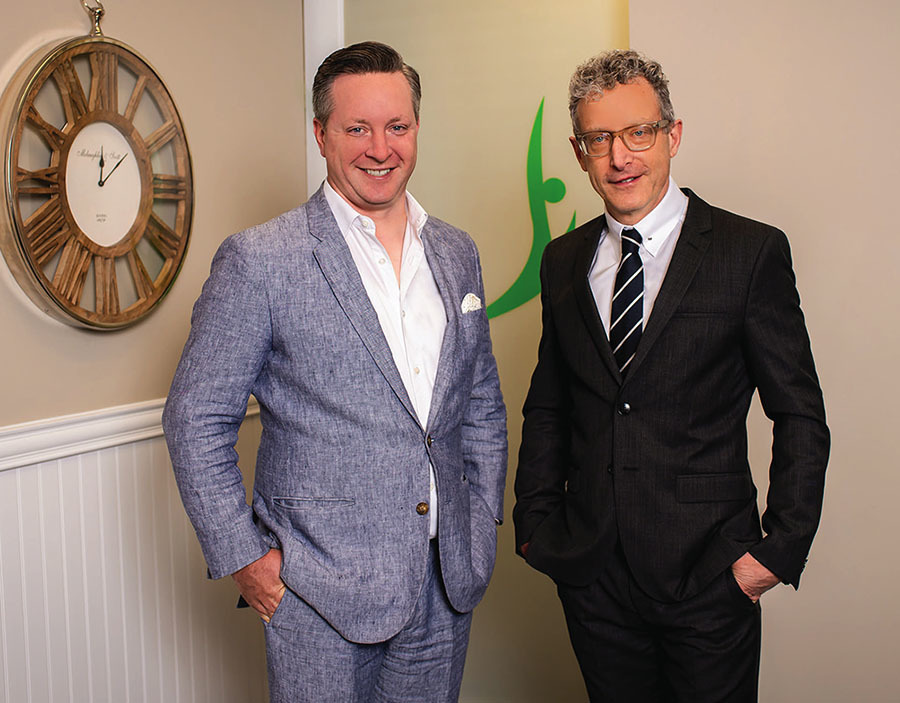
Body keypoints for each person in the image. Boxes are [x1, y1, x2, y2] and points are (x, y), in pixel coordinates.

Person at [163, 41, 507, 703]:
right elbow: (194, 418)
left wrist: (481, 513)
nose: (380, 148)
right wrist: (245, 558)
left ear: (417, 128)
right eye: (357, 128)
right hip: (317, 595)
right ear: (321, 134)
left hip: (445, 583)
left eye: (397, 126)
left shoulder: (456, 251)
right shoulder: (261, 259)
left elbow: (480, 400)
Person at [513, 49, 828, 702]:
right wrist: (537, 525)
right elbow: (550, 404)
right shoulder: (563, 260)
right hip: (594, 578)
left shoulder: (749, 253)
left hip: (710, 575)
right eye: (600, 139)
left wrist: (777, 550)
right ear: (579, 152)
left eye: (639, 133)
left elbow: (799, 412)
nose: (620, 157)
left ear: (672, 135)